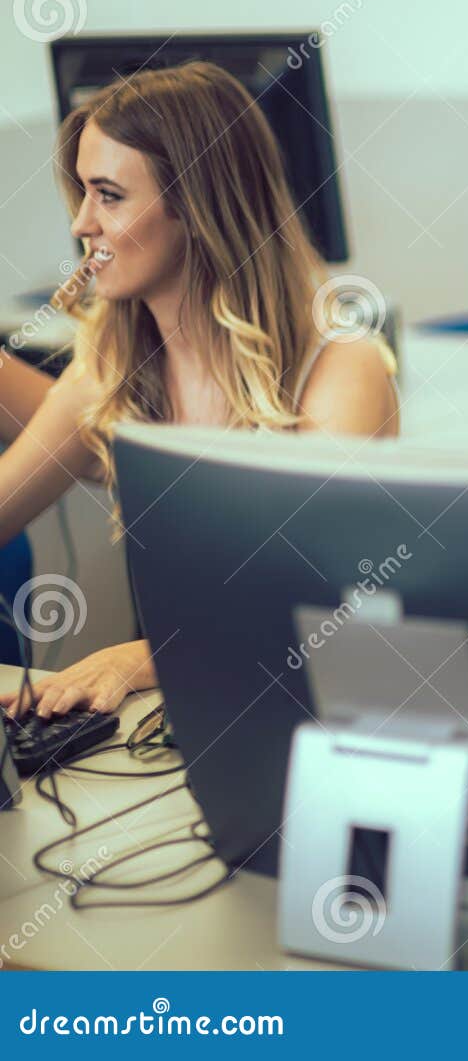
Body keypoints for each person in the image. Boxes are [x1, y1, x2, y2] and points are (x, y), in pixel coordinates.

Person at [0, 61, 399, 721]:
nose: (82, 225)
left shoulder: (340, 370)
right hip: (188, 715)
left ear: (196, 202)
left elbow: (306, 606)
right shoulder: (113, 361)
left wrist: (137, 658)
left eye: (110, 195)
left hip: (316, 715)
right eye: (83, 194)